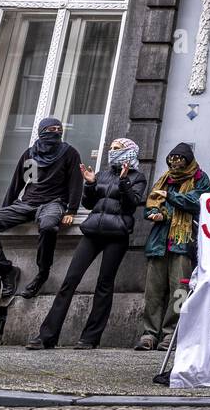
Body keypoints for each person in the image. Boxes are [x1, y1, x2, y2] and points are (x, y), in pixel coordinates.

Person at [27, 139, 147, 351]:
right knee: (70, 280)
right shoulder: (102, 174)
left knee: (104, 284)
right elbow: (89, 204)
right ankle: (47, 336)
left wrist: (124, 183)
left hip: (117, 234)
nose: (112, 152)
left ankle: (90, 338)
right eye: (111, 149)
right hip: (92, 232)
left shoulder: (137, 177)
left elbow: (132, 204)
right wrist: (90, 184)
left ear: (129, 152)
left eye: (117, 149)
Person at [0, 116, 82, 299]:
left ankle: (42, 273)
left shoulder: (69, 153)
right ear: (41, 132)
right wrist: (4, 209)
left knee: (48, 227)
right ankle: (6, 271)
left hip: (53, 203)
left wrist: (71, 210)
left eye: (58, 129)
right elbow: (19, 182)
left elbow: (75, 183)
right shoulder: (31, 154)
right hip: (27, 204)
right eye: (51, 130)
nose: (55, 133)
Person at [138, 143, 209, 351]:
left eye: (179, 159)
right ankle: (149, 333)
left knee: (180, 292)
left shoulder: (199, 178)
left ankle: (171, 334)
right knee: (153, 292)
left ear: (188, 160)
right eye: (172, 159)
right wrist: (156, 214)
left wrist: (170, 196)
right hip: (159, 242)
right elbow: (150, 205)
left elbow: (196, 202)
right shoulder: (164, 179)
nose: (175, 163)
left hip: (183, 243)